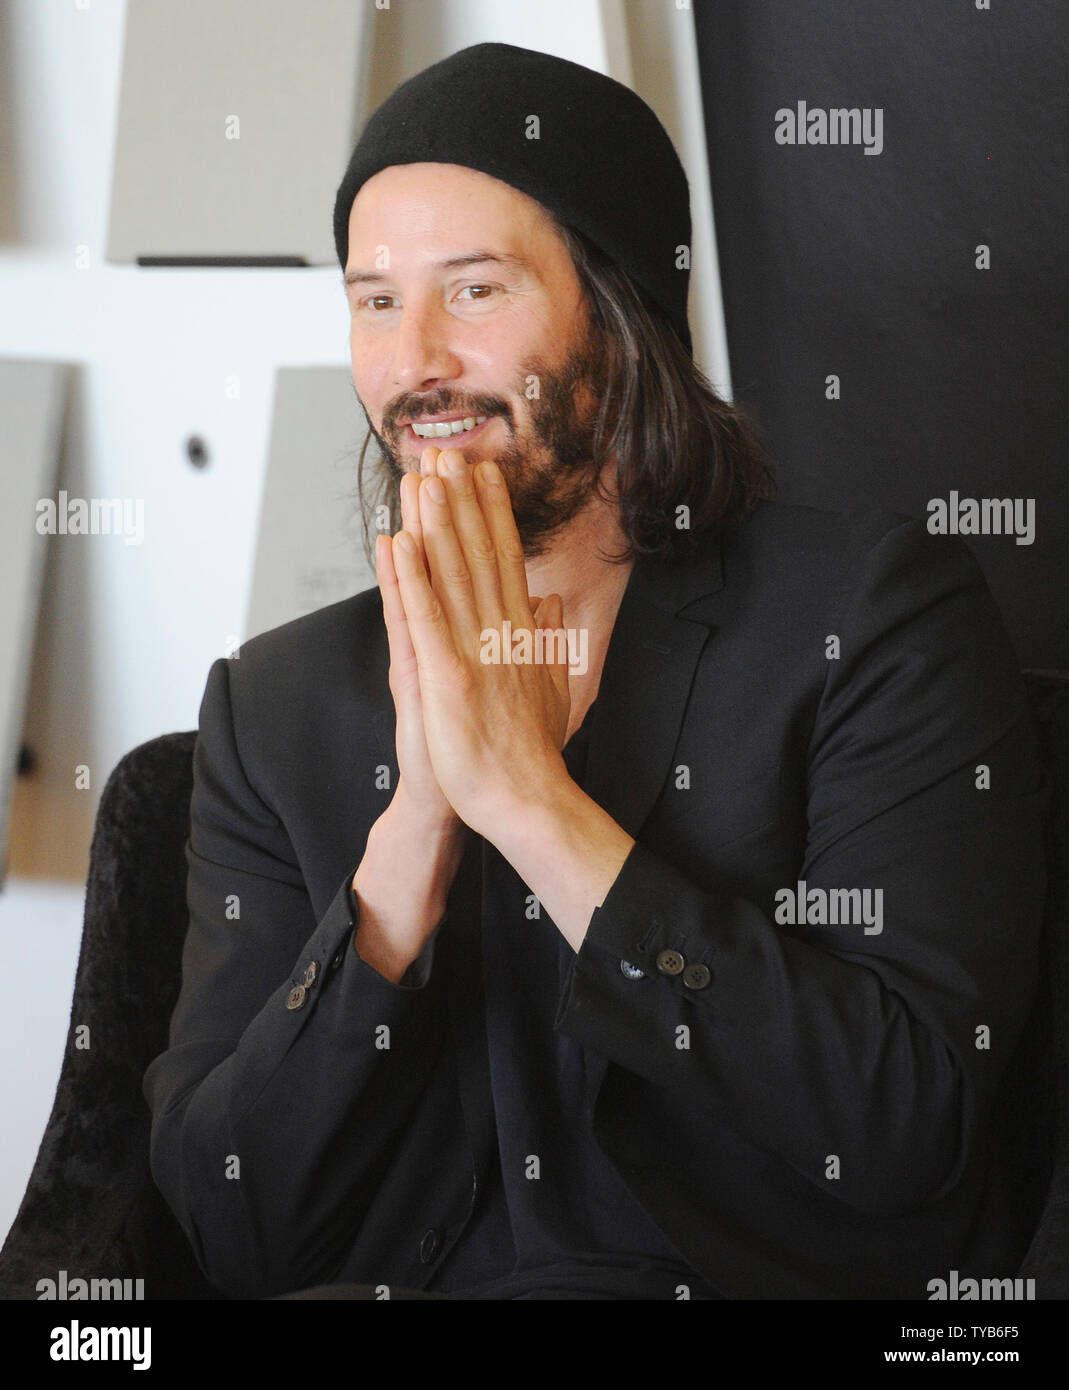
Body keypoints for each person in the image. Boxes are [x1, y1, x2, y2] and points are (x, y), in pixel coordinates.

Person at [143, 43, 1047, 1301]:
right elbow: (229, 1235)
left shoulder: (871, 619)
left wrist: (528, 798)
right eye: (374, 300)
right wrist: (418, 827)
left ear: (620, 316)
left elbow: (904, 1124)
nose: (415, 365)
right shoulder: (272, 700)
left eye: (473, 290)